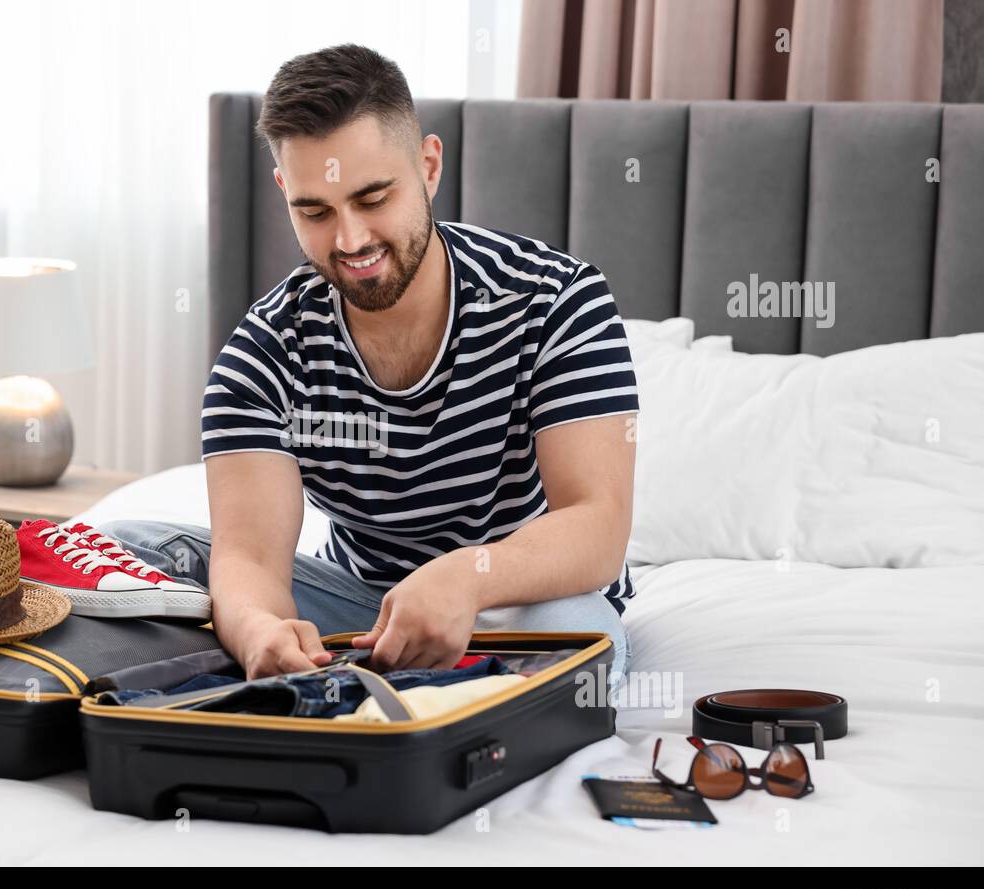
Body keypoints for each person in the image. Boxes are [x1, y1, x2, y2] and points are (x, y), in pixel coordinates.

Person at [98, 44, 640, 688]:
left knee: (572, 640)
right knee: (127, 545)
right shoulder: (262, 355)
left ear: (429, 166)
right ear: (285, 193)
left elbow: (598, 525)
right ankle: (351, 685)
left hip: (518, 602)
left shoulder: (554, 299)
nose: (351, 241)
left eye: (374, 197)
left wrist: (467, 575)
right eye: (315, 212)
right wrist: (260, 630)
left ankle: (375, 698)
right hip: (358, 609)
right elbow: (249, 559)